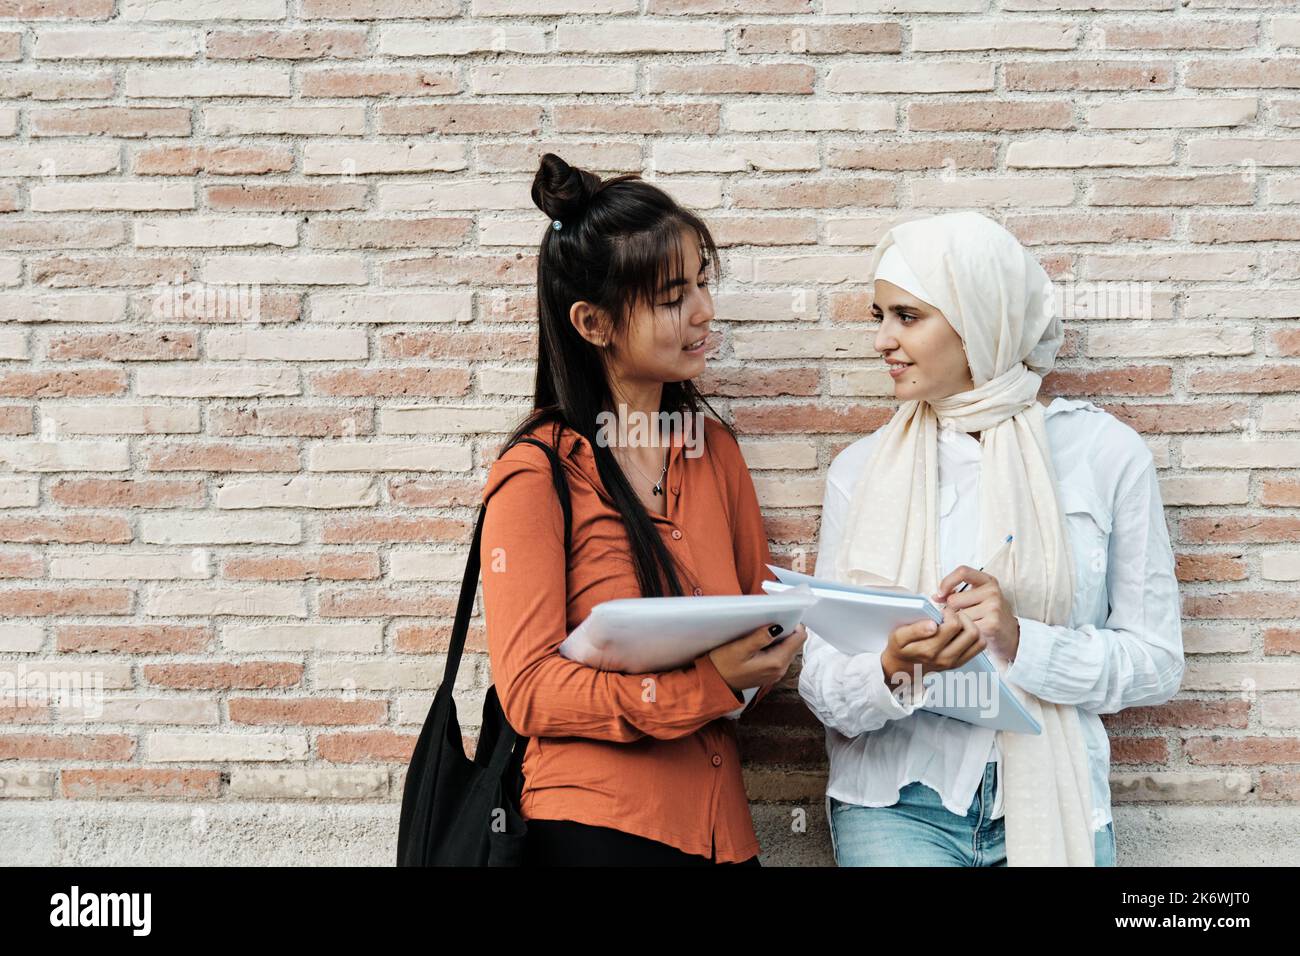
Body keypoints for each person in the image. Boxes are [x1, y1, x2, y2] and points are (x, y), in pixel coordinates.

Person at [798, 210, 1185, 866]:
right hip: (896, 802)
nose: (881, 341)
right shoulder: (860, 473)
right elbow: (821, 681)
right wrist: (895, 668)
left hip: (1055, 798)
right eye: (878, 316)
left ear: (979, 315)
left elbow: (1157, 662)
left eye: (907, 317)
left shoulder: (1105, 454)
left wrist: (1021, 641)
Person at [480, 153, 807, 866]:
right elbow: (528, 692)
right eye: (670, 298)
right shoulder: (537, 472)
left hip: (723, 832)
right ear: (593, 323)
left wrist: (778, 652)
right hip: (595, 832)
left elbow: (757, 618)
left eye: (701, 285)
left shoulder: (713, 452)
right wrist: (702, 685)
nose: (703, 312)